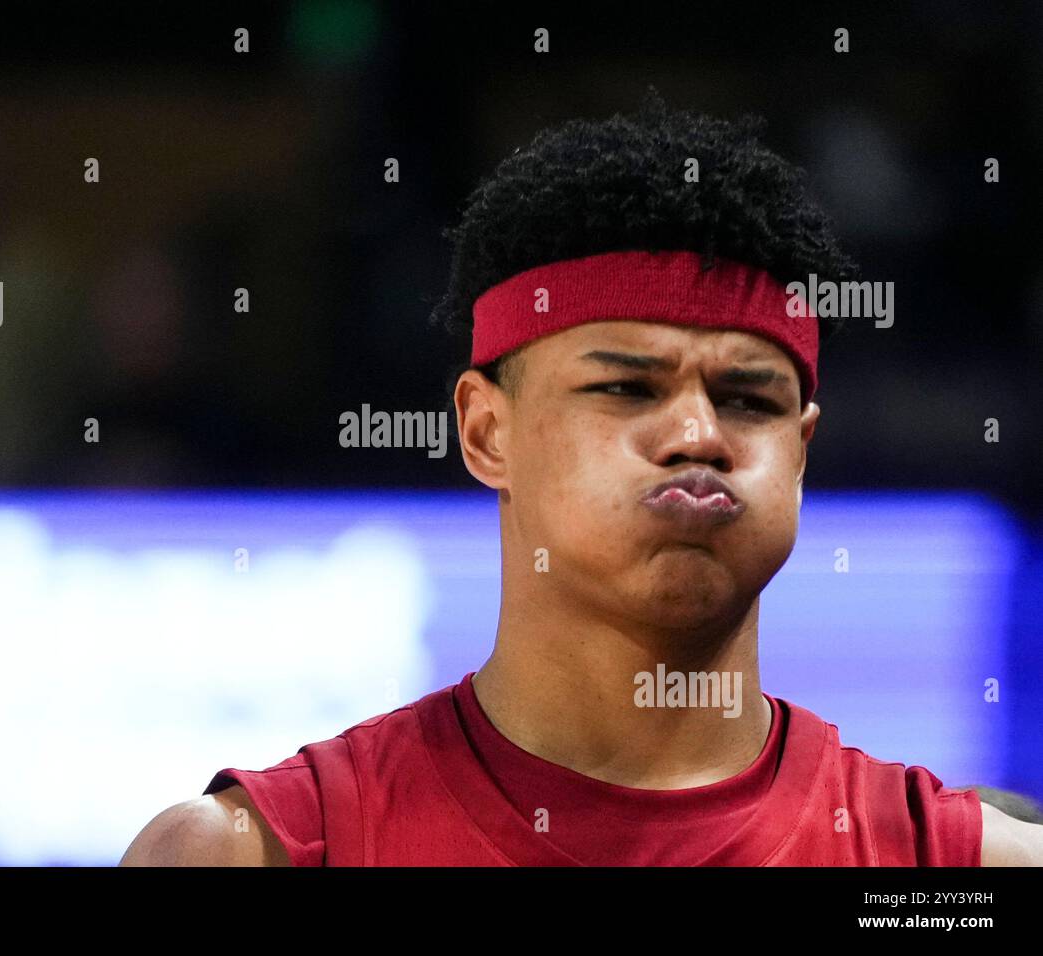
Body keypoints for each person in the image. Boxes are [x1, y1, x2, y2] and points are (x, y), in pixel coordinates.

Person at [121, 92, 1043, 867]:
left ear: (801, 452)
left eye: (749, 399)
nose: (696, 433)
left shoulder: (954, 872)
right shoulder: (258, 853)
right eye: (626, 387)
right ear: (486, 432)